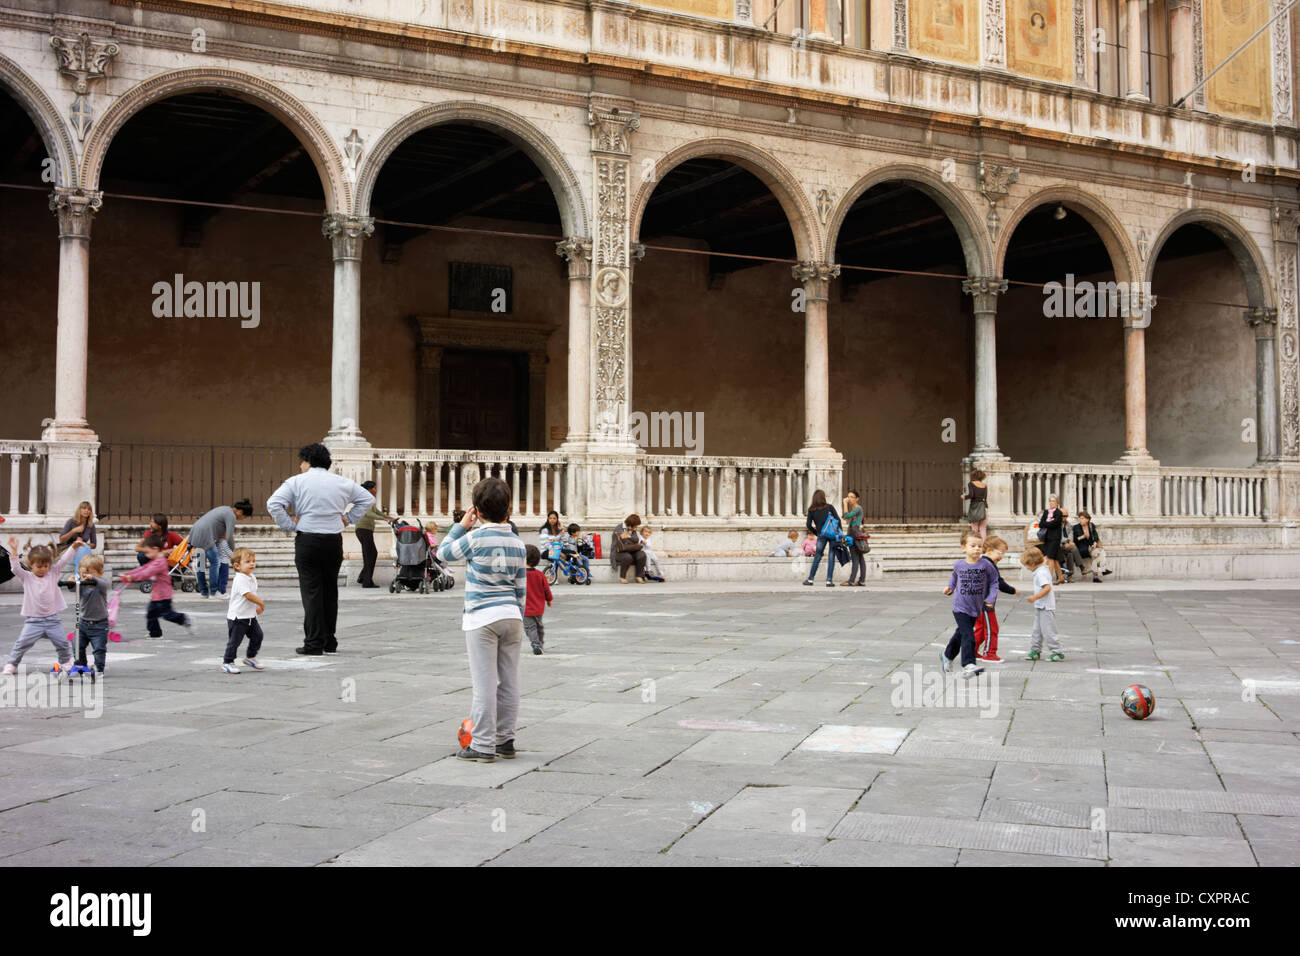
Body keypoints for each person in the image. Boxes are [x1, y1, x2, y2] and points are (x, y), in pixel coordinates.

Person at [437, 477, 527, 762]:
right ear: (508, 509)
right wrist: (518, 616)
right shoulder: (517, 542)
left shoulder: (475, 538)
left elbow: (442, 554)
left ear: (477, 509)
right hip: (511, 615)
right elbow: (521, 587)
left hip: (482, 618)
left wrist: (462, 525)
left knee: (484, 684)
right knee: (509, 681)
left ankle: (483, 744)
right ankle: (505, 740)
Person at [267, 443, 374, 656]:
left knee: (311, 592)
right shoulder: (342, 482)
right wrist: (349, 518)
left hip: (307, 539)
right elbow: (368, 499)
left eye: (302, 461)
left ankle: (314, 642)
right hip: (333, 540)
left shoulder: (296, 481)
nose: (300, 465)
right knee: (329, 590)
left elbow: (274, 504)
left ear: (308, 461)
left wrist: (289, 525)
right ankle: (329, 641)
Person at [3, 539, 79, 675]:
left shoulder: (52, 574)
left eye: (45, 566)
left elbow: (63, 561)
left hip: (52, 620)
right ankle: (12, 663)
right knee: (22, 644)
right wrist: (14, 552)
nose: (43, 569)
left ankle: (66, 662)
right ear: (31, 565)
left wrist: (73, 547)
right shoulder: (27, 577)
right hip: (33, 621)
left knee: (62, 643)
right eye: (39, 566)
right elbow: (15, 568)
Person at [940, 530, 996, 680]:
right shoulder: (959, 564)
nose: (977, 549)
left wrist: (991, 597)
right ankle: (968, 664)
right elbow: (954, 576)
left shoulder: (986, 565)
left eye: (980, 546)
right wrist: (950, 587)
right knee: (968, 635)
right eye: (973, 546)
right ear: (963, 547)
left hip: (975, 607)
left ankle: (947, 655)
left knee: (960, 634)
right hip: (960, 606)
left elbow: (994, 581)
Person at [118, 534, 194, 640]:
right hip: (156, 595)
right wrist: (129, 574)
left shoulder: (160, 562)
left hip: (164, 595)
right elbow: (142, 568)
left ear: (155, 549)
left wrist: (132, 577)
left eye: (147, 552)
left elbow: (146, 573)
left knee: (167, 614)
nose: (146, 555)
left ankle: (183, 618)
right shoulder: (154, 561)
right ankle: (155, 633)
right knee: (151, 614)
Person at [190, 499, 253, 597]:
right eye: (244, 517)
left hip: (195, 533)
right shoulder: (231, 515)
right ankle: (214, 592)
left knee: (201, 564)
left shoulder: (224, 509)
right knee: (215, 562)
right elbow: (229, 536)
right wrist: (234, 551)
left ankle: (203, 592)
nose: (242, 519)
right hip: (206, 536)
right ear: (240, 512)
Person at [222, 548, 266, 674]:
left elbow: (252, 594)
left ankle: (250, 657)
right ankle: (227, 662)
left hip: (250, 616)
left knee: (258, 635)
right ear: (237, 565)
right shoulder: (240, 578)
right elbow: (247, 595)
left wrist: (256, 608)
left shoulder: (251, 577)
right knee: (235, 641)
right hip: (238, 617)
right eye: (247, 561)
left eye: (253, 561)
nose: (252, 563)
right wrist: (261, 603)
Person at [974, 536, 1016, 664]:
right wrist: (1012, 590)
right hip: (986, 604)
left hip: (978, 603)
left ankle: (971, 650)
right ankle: (989, 654)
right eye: (1000, 553)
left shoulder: (981, 562)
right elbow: (999, 582)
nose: (1002, 557)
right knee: (992, 629)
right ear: (989, 550)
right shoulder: (988, 564)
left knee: (981, 629)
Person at [1023, 548, 1065, 661]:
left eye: (1027, 565)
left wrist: (1035, 597)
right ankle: (1035, 650)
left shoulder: (1040, 573)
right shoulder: (1042, 569)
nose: (1027, 568)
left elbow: (1047, 588)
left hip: (1046, 606)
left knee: (1048, 630)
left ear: (1032, 563)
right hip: (1041, 605)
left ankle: (1057, 651)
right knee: (1037, 630)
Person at [72, 554, 111, 678]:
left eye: (90, 574)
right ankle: (82, 667)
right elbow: (73, 588)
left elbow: (102, 583)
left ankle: (99, 669)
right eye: (84, 574)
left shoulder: (101, 585)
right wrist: (72, 582)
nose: (87, 578)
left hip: (100, 624)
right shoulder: (82, 586)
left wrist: (93, 579)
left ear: (100, 573)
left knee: (99, 648)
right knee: (77, 646)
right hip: (83, 623)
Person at [353, 481, 393, 589]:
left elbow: (376, 511)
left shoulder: (368, 499)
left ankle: (363, 577)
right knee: (371, 554)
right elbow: (369, 514)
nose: (376, 490)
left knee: (369, 554)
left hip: (365, 530)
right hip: (363, 529)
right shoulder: (365, 499)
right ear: (370, 489)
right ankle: (367, 581)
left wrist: (388, 517)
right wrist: (384, 518)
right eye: (375, 488)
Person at [802, 489, 841, 588]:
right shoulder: (829, 507)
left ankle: (810, 579)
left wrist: (817, 533)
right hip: (832, 535)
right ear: (823, 497)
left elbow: (808, 525)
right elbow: (838, 520)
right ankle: (829, 581)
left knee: (818, 556)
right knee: (831, 555)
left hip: (821, 535)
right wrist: (839, 533)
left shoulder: (812, 510)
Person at [58, 501, 97, 589]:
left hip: (82, 550)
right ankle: (81, 577)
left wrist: (83, 543)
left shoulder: (91, 525)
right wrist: (73, 531)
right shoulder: (71, 522)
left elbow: (94, 545)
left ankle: (78, 577)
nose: (86, 511)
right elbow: (61, 540)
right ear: (79, 510)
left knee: (84, 548)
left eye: (88, 509)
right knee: (84, 549)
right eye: (84, 508)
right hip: (69, 550)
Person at [523, 544, 553, 656]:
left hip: (525, 608)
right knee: (539, 626)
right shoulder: (540, 575)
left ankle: (535, 644)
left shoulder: (519, 575)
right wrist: (549, 600)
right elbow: (546, 590)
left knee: (530, 627)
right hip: (539, 607)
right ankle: (540, 643)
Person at [1072, 510, 1112, 583]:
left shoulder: (1091, 525)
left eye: (1082, 518)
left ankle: (1096, 576)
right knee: (1096, 554)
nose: (1080, 520)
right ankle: (1101, 571)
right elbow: (1074, 540)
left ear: (1087, 519)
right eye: (1080, 518)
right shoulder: (1076, 527)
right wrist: (1083, 536)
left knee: (1098, 553)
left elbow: (1096, 536)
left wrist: (1095, 543)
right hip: (1082, 548)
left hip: (1091, 547)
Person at [1038, 494, 1068, 585]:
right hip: (1047, 537)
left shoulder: (1059, 513)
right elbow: (1041, 524)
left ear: (1057, 503)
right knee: (1054, 559)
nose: (1051, 503)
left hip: (1055, 538)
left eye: (1053, 501)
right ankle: (1061, 578)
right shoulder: (1046, 512)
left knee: (1050, 557)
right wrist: (1048, 522)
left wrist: (1047, 523)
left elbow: (1054, 524)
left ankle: (1048, 579)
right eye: (1050, 501)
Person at [613, 514, 648, 583]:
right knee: (627, 557)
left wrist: (628, 536)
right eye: (636, 525)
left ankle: (639, 576)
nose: (637, 527)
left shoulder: (632, 529)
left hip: (632, 550)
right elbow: (623, 541)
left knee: (642, 555)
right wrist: (629, 538)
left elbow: (636, 539)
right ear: (631, 524)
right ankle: (622, 577)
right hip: (620, 552)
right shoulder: (619, 528)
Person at [841, 490, 866, 587]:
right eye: (848, 497)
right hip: (854, 533)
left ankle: (851, 581)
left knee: (856, 558)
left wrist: (844, 503)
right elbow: (844, 516)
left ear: (857, 499)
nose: (849, 499)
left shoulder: (858, 508)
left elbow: (846, 516)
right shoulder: (854, 509)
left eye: (852, 497)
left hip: (854, 534)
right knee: (860, 558)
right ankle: (862, 580)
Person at [962, 469, 989, 542]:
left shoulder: (971, 483)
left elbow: (971, 495)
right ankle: (983, 545)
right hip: (983, 507)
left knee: (974, 528)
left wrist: (964, 497)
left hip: (975, 507)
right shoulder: (984, 485)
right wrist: (986, 508)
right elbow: (985, 498)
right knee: (983, 528)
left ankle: (975, 544)